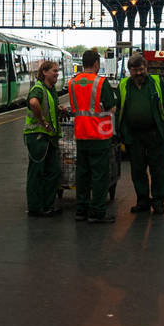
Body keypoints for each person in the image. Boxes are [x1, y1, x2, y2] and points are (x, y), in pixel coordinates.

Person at [117, 52, 164, 215]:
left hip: (155, 134)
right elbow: (119, 111)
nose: (138, 73)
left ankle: (158, 202)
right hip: (134, 136)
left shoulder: (156, 83)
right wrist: (120, 133)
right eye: (134, 70)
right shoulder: (124, 85)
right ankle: (142, 200)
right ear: (129, 70)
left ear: (146, 68)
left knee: (158, 169)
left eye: (141, 69)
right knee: (137, 170)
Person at [69, 49, 118, 223]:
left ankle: (81, 210)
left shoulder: (72, 83)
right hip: (99, 135)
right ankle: (97, 212)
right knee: (99, 174)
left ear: (83, 63)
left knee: (82, 173)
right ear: (96, 64)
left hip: (81, 134)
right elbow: (111, 107)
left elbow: (76, 108)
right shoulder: (100, 82)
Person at [24, 59, 64, 217]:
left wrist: (58, 109)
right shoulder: (39, 88)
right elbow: (33, 103)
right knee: (37, 172)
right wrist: (43, 121)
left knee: (52, 171)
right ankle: (35, 207)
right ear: (45, 72)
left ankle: (47, 205)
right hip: (38, 137)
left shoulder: (50, 88)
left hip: (49, 138)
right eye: (54, 70)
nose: (57, 73)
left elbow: (47, 106)